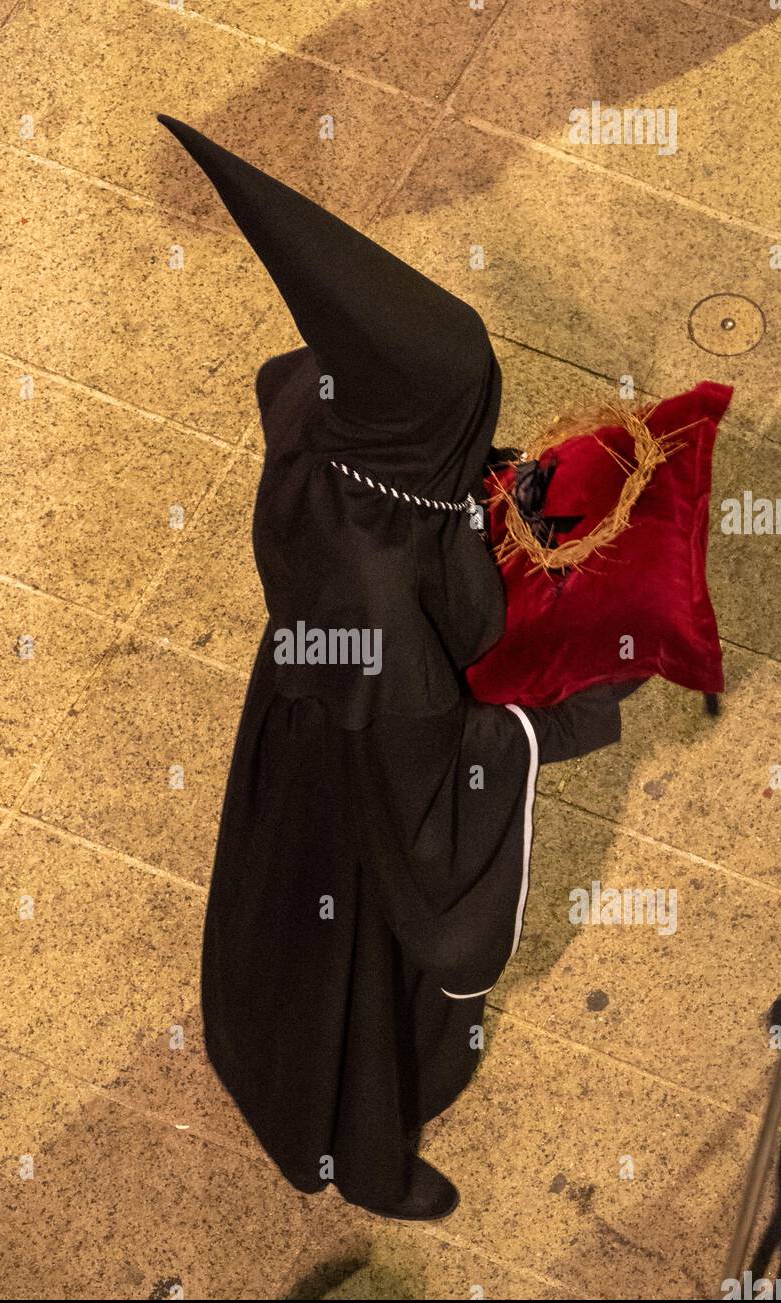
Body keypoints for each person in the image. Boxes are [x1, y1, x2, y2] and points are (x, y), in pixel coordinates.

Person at [158, 116, 642, 1220]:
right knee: (360, 978)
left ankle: (279, 1067)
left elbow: (412, 483)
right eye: (467, 432)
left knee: (281, 930)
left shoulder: (320, 429)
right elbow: (438, 777)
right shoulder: (380, 602)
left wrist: (491, 490)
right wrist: (577, 714)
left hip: (308, 724)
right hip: (370, 788)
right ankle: (356, 1149)